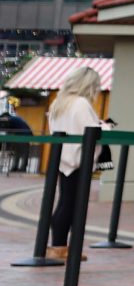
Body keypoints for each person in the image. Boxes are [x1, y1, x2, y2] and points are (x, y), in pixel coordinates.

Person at [44, 68, 107, 260]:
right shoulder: (81, 103)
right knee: (72, 205)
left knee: (65, 202)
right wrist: (106, 125)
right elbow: (91, 130)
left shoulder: (58, 103)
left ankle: (59, 246)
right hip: (80, 160)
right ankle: (60, 247)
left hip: (63, 161)